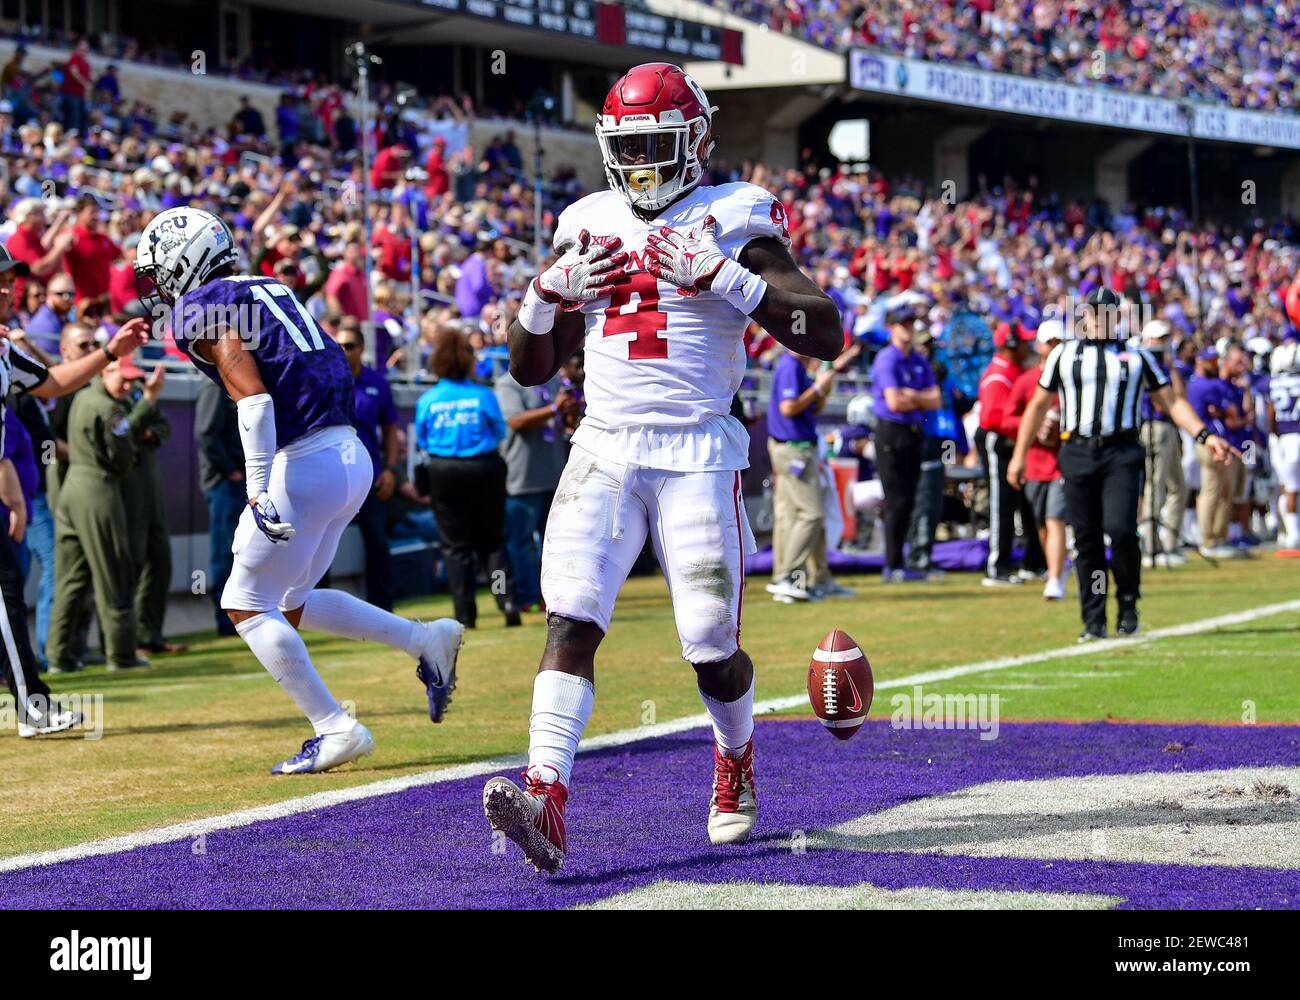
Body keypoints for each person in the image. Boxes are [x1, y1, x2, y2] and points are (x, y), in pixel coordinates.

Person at [482, 63, 841, 873]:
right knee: (570, 618)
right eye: (629, 145)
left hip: (697, 449)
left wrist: (727, 279)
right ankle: (547, 795)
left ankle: (735, 753)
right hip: (604, 444)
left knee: (711, 645)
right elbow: (532, 370)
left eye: (657, 142)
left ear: (697, 141)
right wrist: (541, 298)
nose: (642, 161)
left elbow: (822, 331)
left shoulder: (734, 213)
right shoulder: (586, 218)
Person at [134, 206, 463, 774]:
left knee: (244, 603)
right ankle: (424, 639)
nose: (160, 286)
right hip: (348, 455)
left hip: (301, 463)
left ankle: (335, 728)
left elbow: (255, 399)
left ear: (185, 264)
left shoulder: (200, 308)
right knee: (293, 602)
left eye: (162, 271)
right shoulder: (270, 287)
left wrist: (258, 488)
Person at [1008, 288, 1234, 641]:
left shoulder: (1136, 356)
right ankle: (1093, 619)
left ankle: (1128, 602)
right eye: (1094, 313)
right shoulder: (1063, 356)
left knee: (1122, 530)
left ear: (1117, 317)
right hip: (1078, 450)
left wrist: (1204, 435)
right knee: (1085, 538)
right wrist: (1019, 455)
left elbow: (1171, 402)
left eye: (1106, 313)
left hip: (1122, 451)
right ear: (1085, 317)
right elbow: (1037, 406)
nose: (1099, 320)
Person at [0, 241, 151, 738]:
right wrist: (13, 490)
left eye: (10, 280)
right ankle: (30, 707)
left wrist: (110, 352)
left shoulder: (4, 347)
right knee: (6, 596)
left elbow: (52, 382)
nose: (6, 288)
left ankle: (30, 703)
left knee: (8, 591)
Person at [46, 356, 160, 673]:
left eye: (131, 380)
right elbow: (123, 457)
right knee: (115, 573)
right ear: (105, 372)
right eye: (122, 378)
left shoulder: (82, 397)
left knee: (71, 579)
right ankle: (121, 655)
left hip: (71, 488)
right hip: (98, 490)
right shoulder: (110, 409)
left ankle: (59, 655)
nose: (127, 385)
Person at [414, 325, 519, 629]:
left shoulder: (428, 400)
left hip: (444, 472)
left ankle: (465, 613)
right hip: (484, 468)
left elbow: (422, 439)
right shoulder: (483, 395)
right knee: (492, 542)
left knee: (455, 547)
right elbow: (499, 431)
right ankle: (506, 601)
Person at [494, 368, 573, 613]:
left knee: (557, 541)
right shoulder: (507, 384)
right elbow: (515, 421)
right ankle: (529, 596)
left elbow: (563, 420)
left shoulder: (555, 381)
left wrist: (570, 411)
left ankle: (560, 596)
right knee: (522, 541)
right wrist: (554, 409)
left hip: (554, 473)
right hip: (523, 478)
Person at [870, 309, 940, 581]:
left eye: (911, 323)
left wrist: (911, 395)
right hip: (892, 432)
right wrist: (916, 397)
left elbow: (935, 400)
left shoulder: (918, 360)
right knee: (896, 500)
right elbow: (894, 403)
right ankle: (892, 564)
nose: (908, 329)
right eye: (903, 324)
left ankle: (901, 562)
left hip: (913, 432)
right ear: (891, 327)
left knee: (909, 500)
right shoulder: (887, 358)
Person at [120, 365, 186, 656]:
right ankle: (127, 641)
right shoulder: (102, 400)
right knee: (130, 567)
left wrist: (146, 421)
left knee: (161, 561)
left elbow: (163, 427)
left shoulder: (135, 395)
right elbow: (123, 432)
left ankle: (151, 636)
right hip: (125, 494)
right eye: (124, 376)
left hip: (151, 492)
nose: (130, 383)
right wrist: (145, 407)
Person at [335, 321, 399, 611]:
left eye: (349, 346)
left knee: (377, 541)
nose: (343, 351)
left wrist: (390, 470)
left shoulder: (378, 383)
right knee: (321, 541)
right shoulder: (325, 380)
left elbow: (390, 430)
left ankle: (382, 605)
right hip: (332, 477)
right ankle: (309, 605)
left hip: (370, 475)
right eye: (338, 346)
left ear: (361, 349)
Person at [977, 320, 1043, 586]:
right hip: (1000, 442)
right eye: (1024, 341)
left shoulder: (1013, 371)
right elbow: (991, 419)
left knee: (1024, 505)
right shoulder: (999, 375)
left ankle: (1031, 563)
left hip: (1015, 442)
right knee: (1001, 505)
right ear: (1011, 345)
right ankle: (997, 566)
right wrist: (1031, 424)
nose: (1029, 345)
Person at [765, 347, 834, 602]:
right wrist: (817, 388)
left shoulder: (797, 367)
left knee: (789, 516)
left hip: (794, 449)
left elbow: (811, 410)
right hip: (795, 451)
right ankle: (786, 576)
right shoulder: (790, 366)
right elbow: (789, 407)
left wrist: (821, 389)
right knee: (811, 514)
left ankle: (806, 580)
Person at [1007, 319, 1068, 600]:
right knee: (1042, 523)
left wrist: (1060, 426)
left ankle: (1055, 577)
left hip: (1063, 461)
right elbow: (1006, 417)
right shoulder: (1027, 380)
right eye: (1050, 342)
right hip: (1034, 462)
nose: (1054, 347)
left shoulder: (1075, 376)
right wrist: (1032, 427)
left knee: (1055, 519)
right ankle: (1056, 567)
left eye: (1059, 342)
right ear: (1040, 346)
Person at [1187, 344, 1250, 559]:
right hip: (1211, 441)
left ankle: (1216, 537)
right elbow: (1232, 414)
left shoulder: (1201, 384)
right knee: (1213, 491)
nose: (1214, 364)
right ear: (1201, 362)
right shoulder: (1208, 385)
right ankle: (1209, 539)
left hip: (1211, 440)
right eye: (1211, 361)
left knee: (1223, 491)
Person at [1136, 321, 1189, 566]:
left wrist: (1172, 367)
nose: (1164, 343)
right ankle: (1150, 545)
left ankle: (1170, 541)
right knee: (1154, 486)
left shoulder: (1167, 367)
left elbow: (1180, 398)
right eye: (1159, 339)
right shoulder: (1143, 365)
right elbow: (1163, 403)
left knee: (1178, 486)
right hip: (1155, 426)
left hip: (1170, 427)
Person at [195, 378, 244, 636]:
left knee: (243, 552)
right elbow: (205, 433)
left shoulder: (231, 384)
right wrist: (230, 470)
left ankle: (244, 616)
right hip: (225, 484)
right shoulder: (214, 387)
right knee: (226, 553)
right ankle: (227, 621)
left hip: (239, 481)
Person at [1269, 333, 1300, 555]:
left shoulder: (1272, 382)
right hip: (1295, 434)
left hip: (1281, 437)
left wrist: (1276, 435)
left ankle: (1288, 532)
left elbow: (1270, 414)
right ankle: (1293, 535)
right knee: (1292, 488)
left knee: (1285, 486)